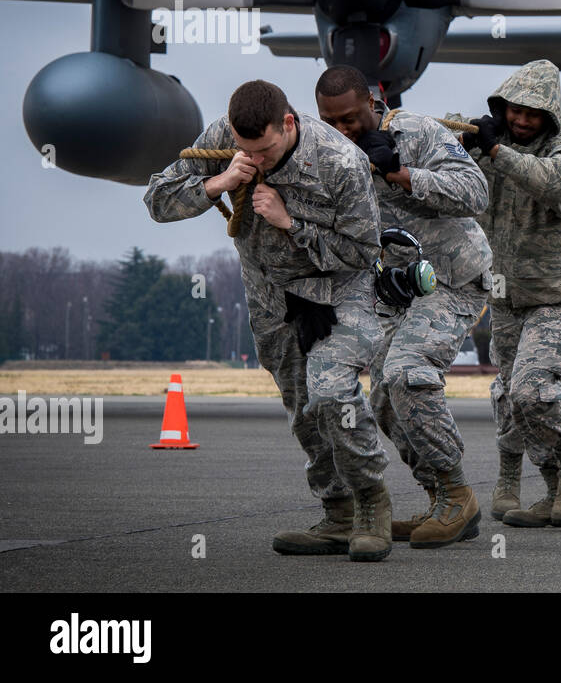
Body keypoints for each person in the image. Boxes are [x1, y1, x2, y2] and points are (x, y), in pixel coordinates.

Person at [144, 80, 392, 562]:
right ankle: (337, 514)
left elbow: (363, 252)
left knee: (331, 391)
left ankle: (371, 507)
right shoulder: (225, 137)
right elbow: (157, 200)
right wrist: (217, 183)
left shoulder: (340, 161)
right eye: (245, 149)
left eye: (266, 150)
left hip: (338, 294)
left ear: (289, 123)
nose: (256, 159)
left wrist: (290, 223)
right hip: (272, 299)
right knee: (302, 406)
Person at [315, 65, 492, 547]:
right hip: (393, 288)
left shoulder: (415, 130)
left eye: (350, 119)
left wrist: (401, 173)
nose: (342, 130)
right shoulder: (327, 154)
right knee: (386, 402)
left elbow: (476, 192)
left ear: (373, 104)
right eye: (330, 122)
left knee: (406, 374)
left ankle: (459, 495)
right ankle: (439, 498)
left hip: (453, 278)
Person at [467, 59, 561, 529]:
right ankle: (549, 487)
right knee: (510, 397)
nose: (521, 121)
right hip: (504, 293)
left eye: (532, 114)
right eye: (513, 111)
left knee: (534, 390)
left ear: (550, 116)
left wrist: (497, 151)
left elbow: (557, 183)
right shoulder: (485, 143)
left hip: (556, 292)